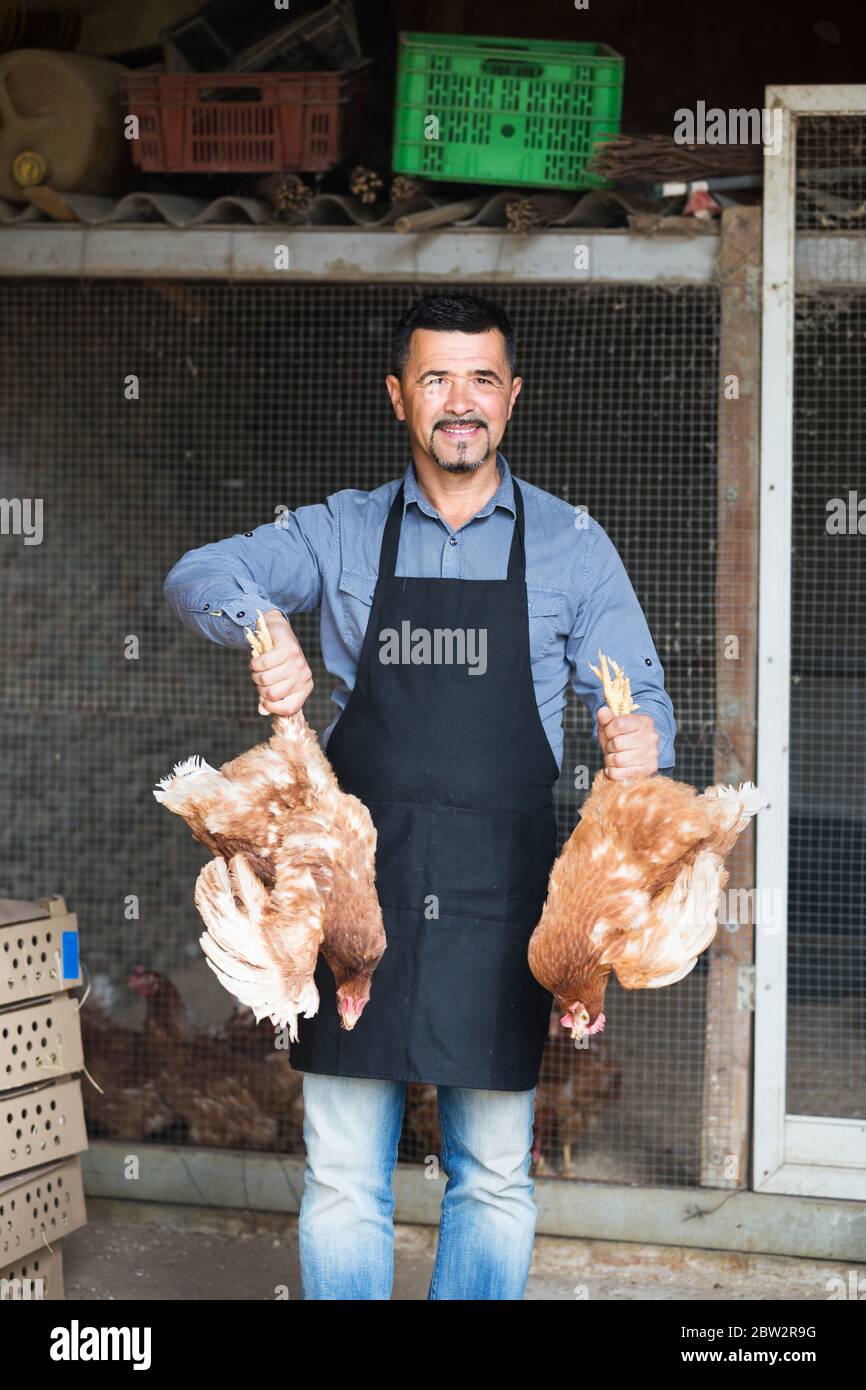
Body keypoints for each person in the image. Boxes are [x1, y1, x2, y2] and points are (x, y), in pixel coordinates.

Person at [163, 293, 676, 1300]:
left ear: (512, 397)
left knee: (489, 1174)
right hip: (364, 889)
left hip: (503, 895)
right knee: (346, 1174)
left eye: (481, 379)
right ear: (398, 395)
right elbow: (199, 574)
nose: (459, 402)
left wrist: (641, 733)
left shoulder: (572, 546)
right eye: (435, 378)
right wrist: (262, 628)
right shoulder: (340, 531)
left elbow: (642, 694)